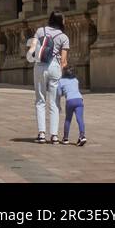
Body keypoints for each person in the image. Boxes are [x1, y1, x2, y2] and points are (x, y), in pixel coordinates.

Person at [27, 10, 70, 144]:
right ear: (60, 21)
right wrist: (60, 73)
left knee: (40, 100)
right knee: (54, 102)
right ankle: (54, 135)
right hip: (55, 67)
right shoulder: (64, 37)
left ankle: (41, 133)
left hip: (40, 66)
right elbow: (64, 61)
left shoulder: (40, 31)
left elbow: (32, 49)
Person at [57, 67, 86, 146]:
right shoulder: (76, 80)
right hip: (79, 100)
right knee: (80, 119)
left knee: (68, 120)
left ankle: (65, 138)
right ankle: (82, 136)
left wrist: (63, 92)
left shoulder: (61, 81)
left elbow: (59, 94)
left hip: (70, 101)